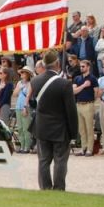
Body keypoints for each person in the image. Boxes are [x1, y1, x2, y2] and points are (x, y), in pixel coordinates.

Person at [29, 50, 77, 190]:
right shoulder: (64, 84)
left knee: (43, 161)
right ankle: (58, 188)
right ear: (57, 63)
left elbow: (34, 103)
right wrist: (73, 132)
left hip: (41, 126)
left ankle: (45, 187)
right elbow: (71, 110)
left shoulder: (35, 80)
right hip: (59, 128)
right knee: (60, 160)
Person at [73, 59, 98, 156]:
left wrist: (92, 101)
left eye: (83, 66)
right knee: (81, 129)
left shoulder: (92, 78)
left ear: (88, 67)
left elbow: (96, 92)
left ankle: (89, 149)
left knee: (89, 128)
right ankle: (83, 147)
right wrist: (83, 86)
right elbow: (74, 91)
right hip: (79, 104)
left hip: (88, 104)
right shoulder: (77, 78)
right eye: (80, 66)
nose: (81, 68)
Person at [13, 67, 34, 153]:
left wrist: (25, 107)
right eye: (21, 73)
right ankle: (22, 146)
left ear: (27, 74)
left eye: (23, 73)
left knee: (26, 128)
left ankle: (27, 147)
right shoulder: (19, 83)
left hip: (26, 106)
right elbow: (14, 94)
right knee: (20, 128)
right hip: (18, 106)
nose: (21, 74)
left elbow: (28, 96)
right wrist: (19, 88)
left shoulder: (30, 83)